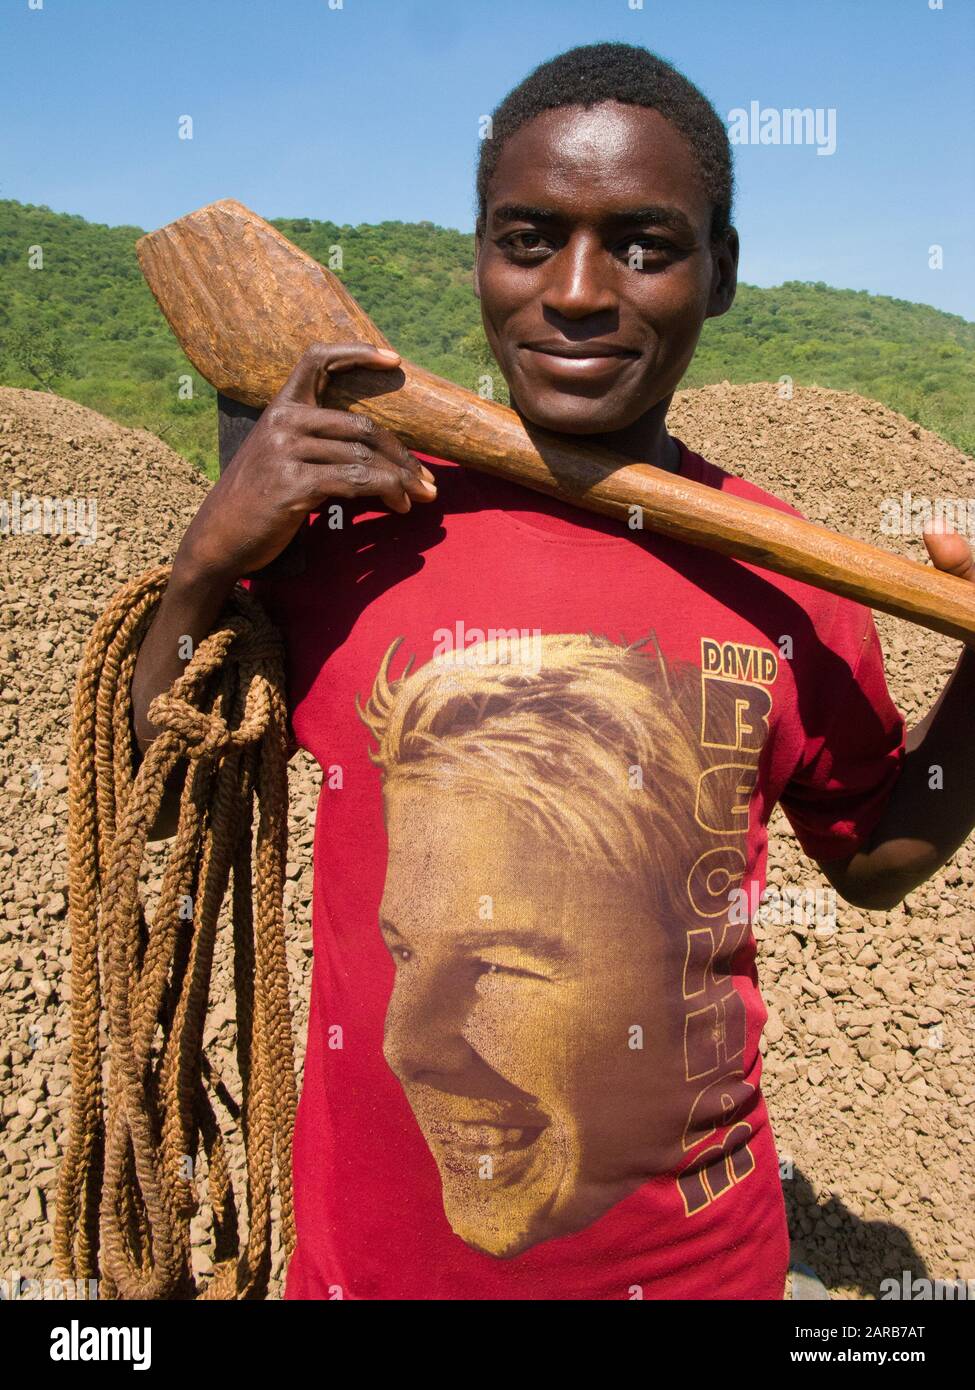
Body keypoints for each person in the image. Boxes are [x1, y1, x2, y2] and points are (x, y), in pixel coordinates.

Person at [131, 42, 975, 1300]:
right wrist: (206, 560)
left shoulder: (795, 584)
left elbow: (876, 861)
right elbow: (160, 762)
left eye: (644, 245)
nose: (578, 291)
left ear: (722, 273)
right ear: (475, 256)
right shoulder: (356, 531)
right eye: (528, 239)